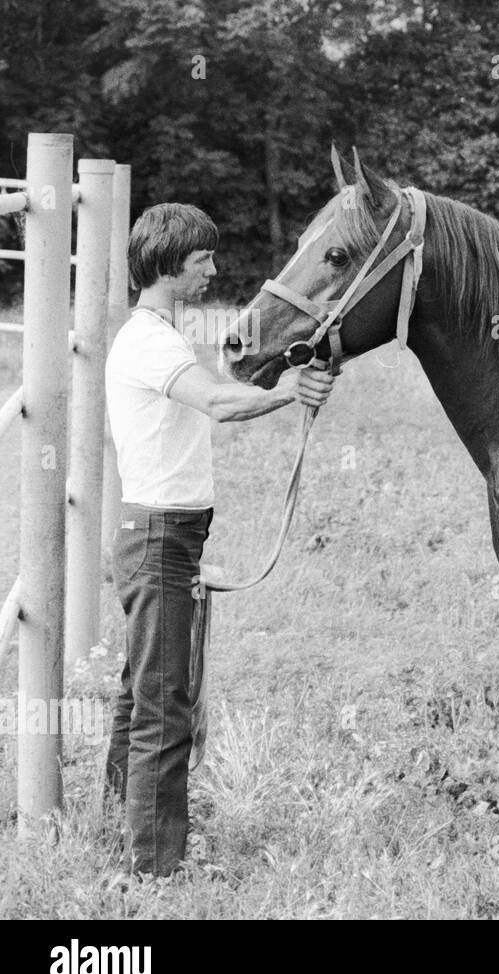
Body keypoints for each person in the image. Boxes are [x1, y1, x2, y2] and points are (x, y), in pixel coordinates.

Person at [104, 203, 335, 877]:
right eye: (202, 258)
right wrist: (291, 392)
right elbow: (220, 402)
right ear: (171, 265)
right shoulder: (152, 341)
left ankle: (121, 817)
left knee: (142, 687)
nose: (212, 268)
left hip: (162, 534)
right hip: (159, 538)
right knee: (164, 700)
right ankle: (153, 867)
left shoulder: (157, 333)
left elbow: (227, 387)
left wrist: (289, 367)